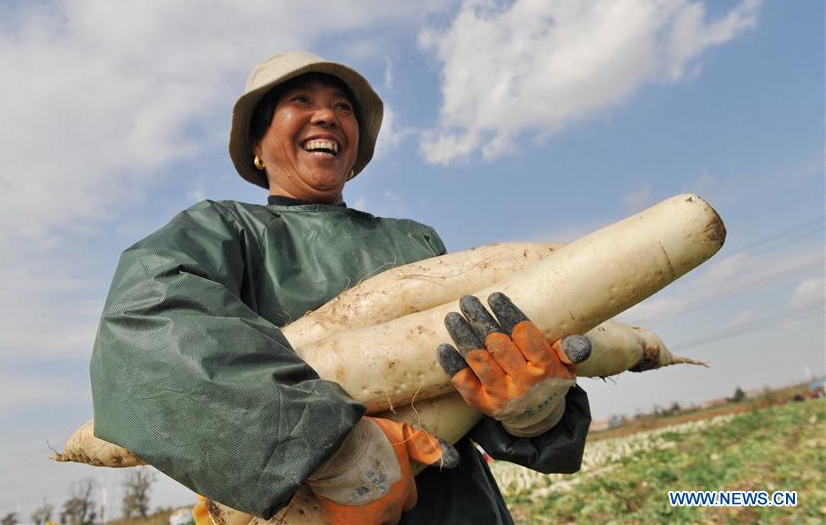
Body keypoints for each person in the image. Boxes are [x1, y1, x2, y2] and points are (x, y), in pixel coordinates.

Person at [90, 51, 592, 524]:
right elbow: (145, 325)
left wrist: (537, 414)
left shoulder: (414, 240)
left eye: (342, 107)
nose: (327, 116)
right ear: (258, 145)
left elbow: (471, 395)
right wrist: (339, 451)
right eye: (301, 101)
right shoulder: (225, 231)